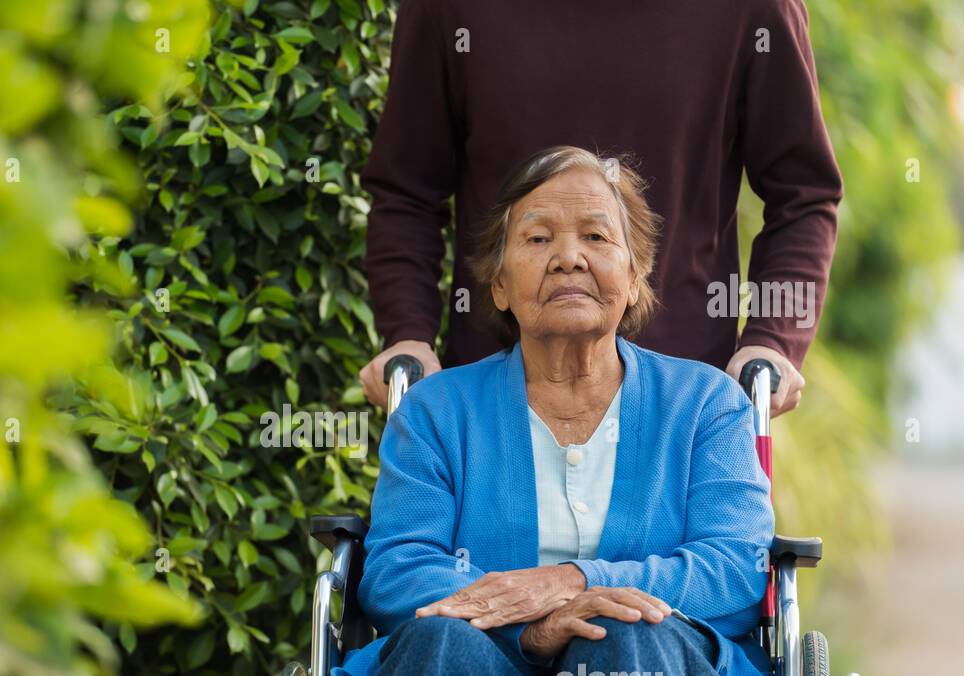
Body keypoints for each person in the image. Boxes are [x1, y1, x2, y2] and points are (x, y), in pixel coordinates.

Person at [329, 147, 786, 676]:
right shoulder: (439, 413)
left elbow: (733, 570)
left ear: (634, 278)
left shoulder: (705, 407)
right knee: (439, 649)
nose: (568, 257)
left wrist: (580, 586)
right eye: (538, 238)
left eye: (597, 237)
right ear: (501, 285)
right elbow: (398, 575)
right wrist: (535, 626)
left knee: (630, 633)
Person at [357, 0, 842, 418]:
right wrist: (409, 333)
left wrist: (772, 339)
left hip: (685, 410)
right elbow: (406, 191)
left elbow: (802, 193)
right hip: (491, 410)